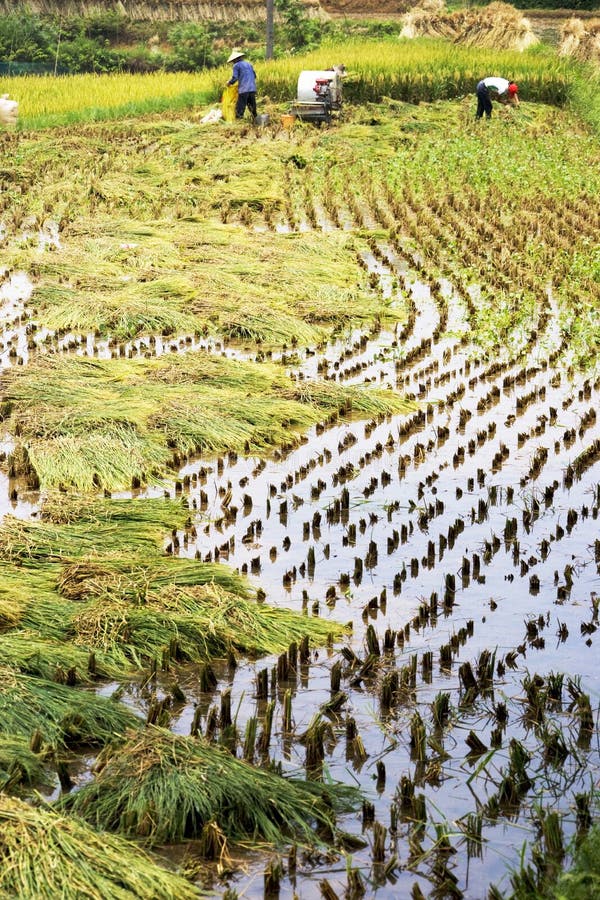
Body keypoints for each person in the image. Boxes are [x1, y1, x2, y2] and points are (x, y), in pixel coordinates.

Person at [227, 49, 257, 120]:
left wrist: (229, 83)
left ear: (235, 59)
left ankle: (239, 122)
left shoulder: (236, 66)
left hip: (244, 89)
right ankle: (255, 121)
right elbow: (254, 75)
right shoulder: (249, 64)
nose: (233, 62)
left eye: (233, 61)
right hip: (252, 88)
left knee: (240, 108)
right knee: (252, 107)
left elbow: (235, 78)